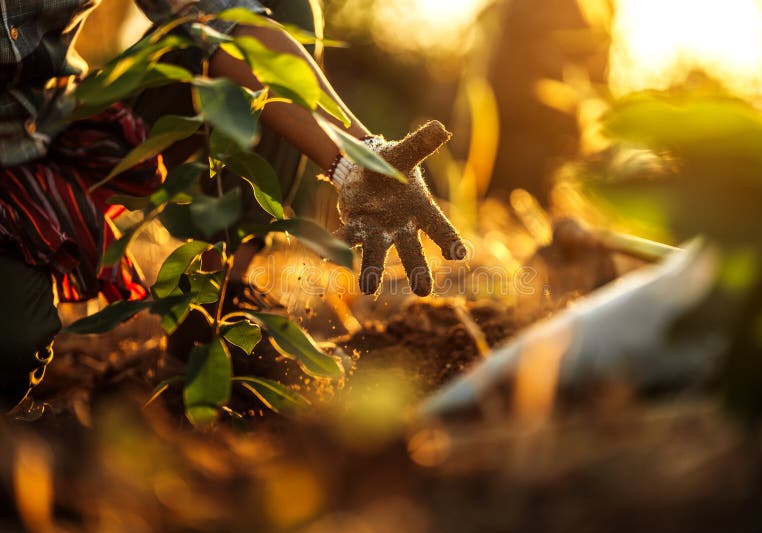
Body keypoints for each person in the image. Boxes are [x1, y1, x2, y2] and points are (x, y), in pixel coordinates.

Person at [0, 0, 466, 410]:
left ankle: (217, 313)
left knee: (272, 6)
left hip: (55, 134)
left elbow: (216, 15)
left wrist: (362, 159)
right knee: (13, 352)